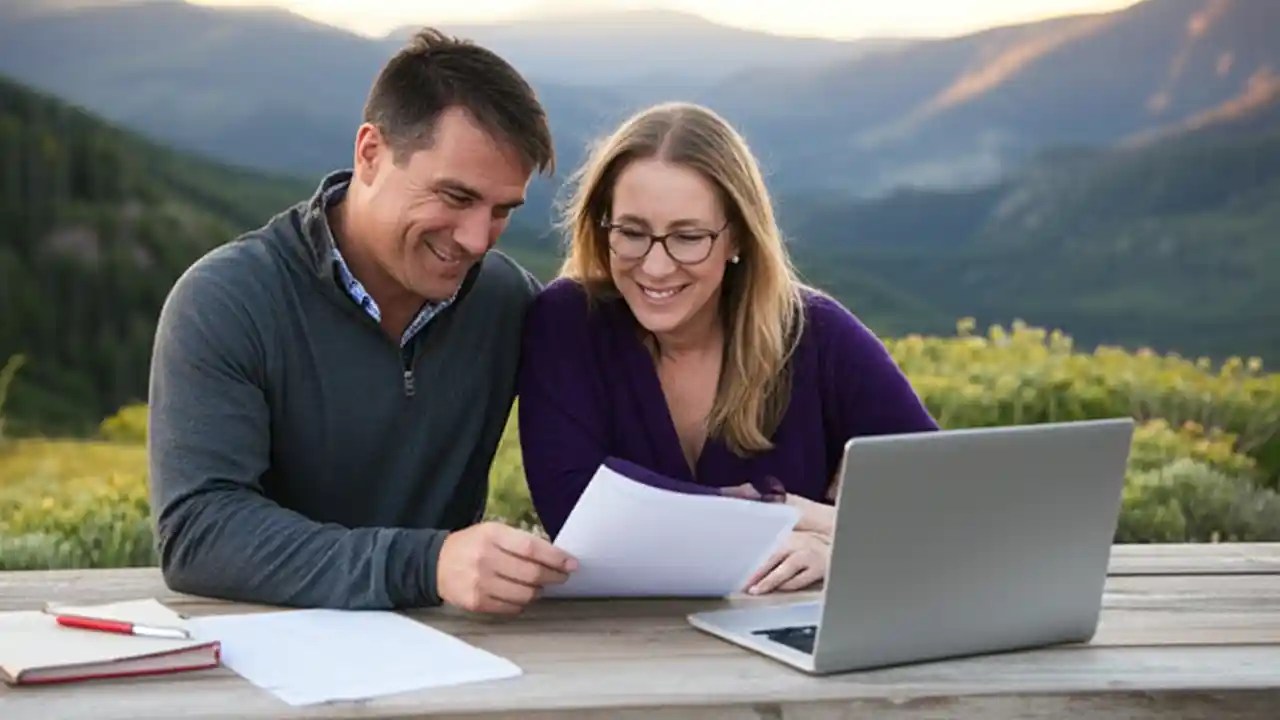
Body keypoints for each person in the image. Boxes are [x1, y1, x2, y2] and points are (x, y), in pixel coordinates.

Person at [147, 28, 577, 614]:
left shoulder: (508, 302)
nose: (478, 239)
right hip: (259, 659)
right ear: (371, 154)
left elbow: (619, 404)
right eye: (455, 197)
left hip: (451, 656)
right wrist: (426, 564)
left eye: (502, 210)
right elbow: (199, 533)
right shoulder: (226, 300)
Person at [517, 102, 938, 595]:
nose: (655, 266)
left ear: (737, 236)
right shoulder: (568, 322)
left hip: (783, 649)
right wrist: (781, 512)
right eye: (631, 233)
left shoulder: (816, 333)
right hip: (616, 648)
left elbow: (941, 504)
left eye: (688, 237)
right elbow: (578, 512)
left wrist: (838, 544)